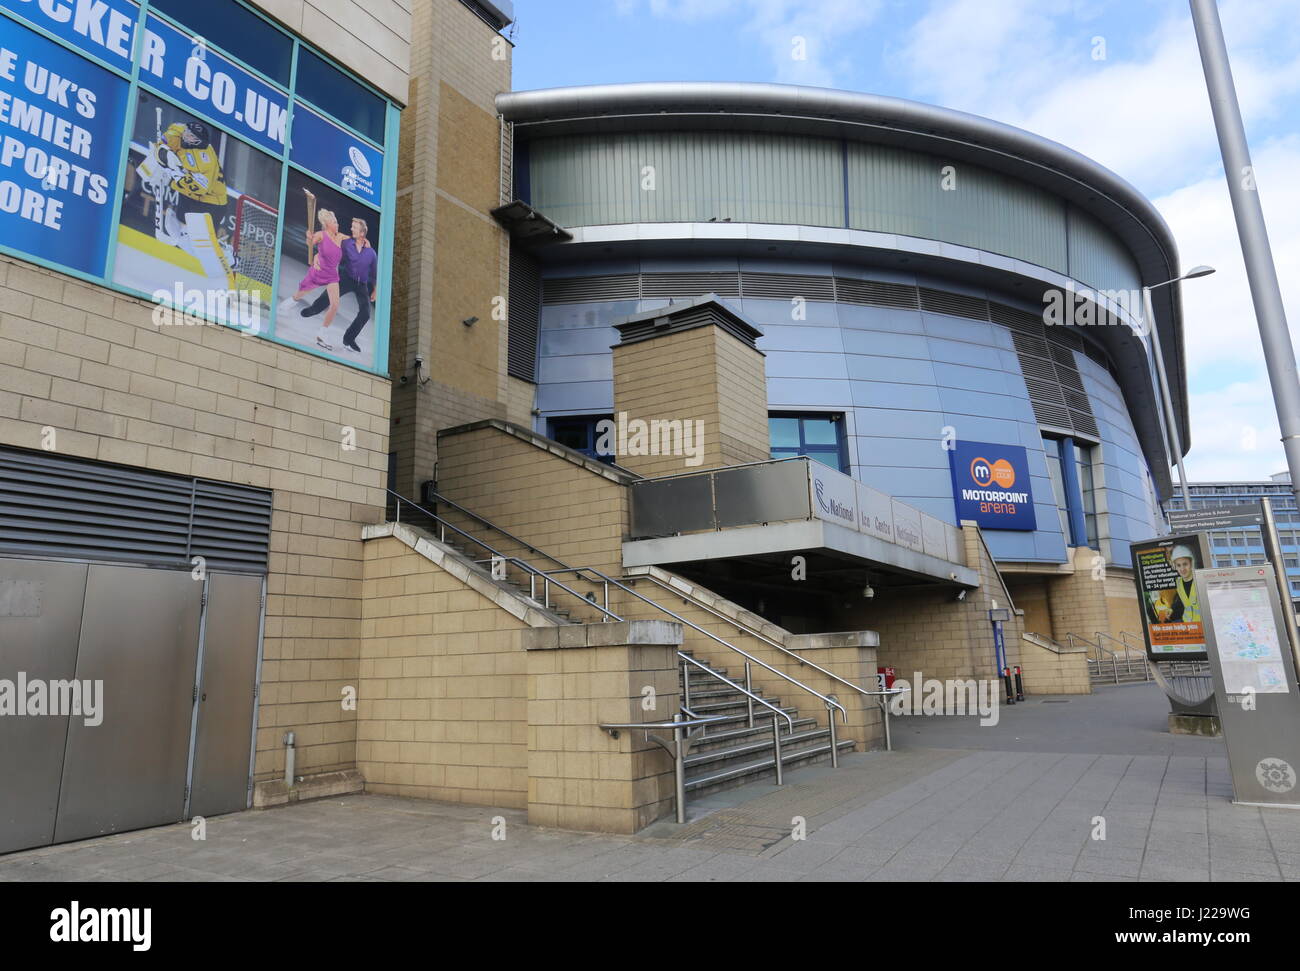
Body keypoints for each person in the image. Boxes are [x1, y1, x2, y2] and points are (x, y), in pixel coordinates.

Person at [298, 216, 377, 353]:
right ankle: (315, 309)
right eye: (352, 226)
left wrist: (375, 290)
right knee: (329, 297)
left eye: (355, 227)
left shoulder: (371, 253)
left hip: (362, 285)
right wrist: (314, 241)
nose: (351, 228)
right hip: (346, 278)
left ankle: (349, 339)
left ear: (362, 232)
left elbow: (374, 273)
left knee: (366, 314)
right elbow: (328, 241)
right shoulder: (346, 242)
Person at [278, 209, 346, 350]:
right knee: (300, 294)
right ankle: (285, 306)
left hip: (332, 275)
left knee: (334, 305)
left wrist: (364, 242)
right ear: (327, 223)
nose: (337, 224)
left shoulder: (340, 237)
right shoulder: (321, 235)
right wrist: (309, 238)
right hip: (318, 272)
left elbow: (354, 240)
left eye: (337, 222)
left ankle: (322, 334)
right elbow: (311, 244)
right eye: (334, 222)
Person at [1166, 544, 1201, 623]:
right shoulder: (1179, 582)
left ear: (1191, 563)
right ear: (1175, 567)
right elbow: (1180, 599)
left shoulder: (1199, 580)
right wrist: (1172, 609)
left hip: (1201, 626)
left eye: (1185, 564)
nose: (1182, 569)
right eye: (1178, 565)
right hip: (1186, 623)